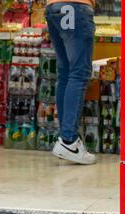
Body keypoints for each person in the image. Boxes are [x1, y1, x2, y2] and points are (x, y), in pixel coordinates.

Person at [45, 0, 96, 164]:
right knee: (78, 74)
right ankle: (69, 141)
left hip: (53, 8)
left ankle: (66, 139)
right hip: (75, 7)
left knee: (66, 74)